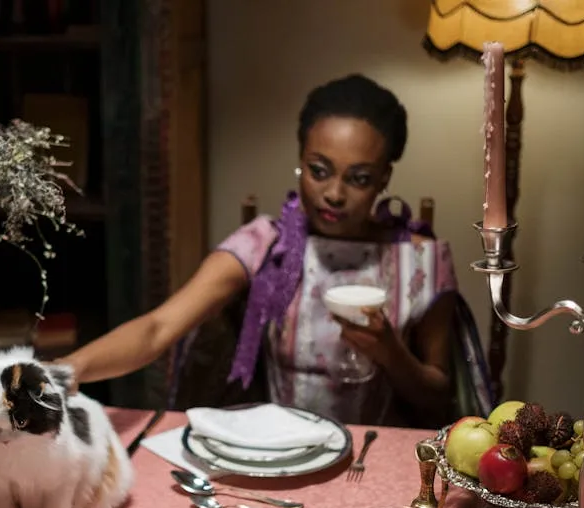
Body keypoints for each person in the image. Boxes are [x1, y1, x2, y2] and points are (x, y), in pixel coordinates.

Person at [59, 74, 490, 427]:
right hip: (277, 452)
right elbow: (157, 328)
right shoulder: (267, 246)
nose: (334, 194)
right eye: (319, 171)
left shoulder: (421, 260)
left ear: (383, 179)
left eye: (358, 178)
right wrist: (68, 370)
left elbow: (439, 402)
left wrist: (390, 353)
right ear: (301, 160)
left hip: (374, 460)